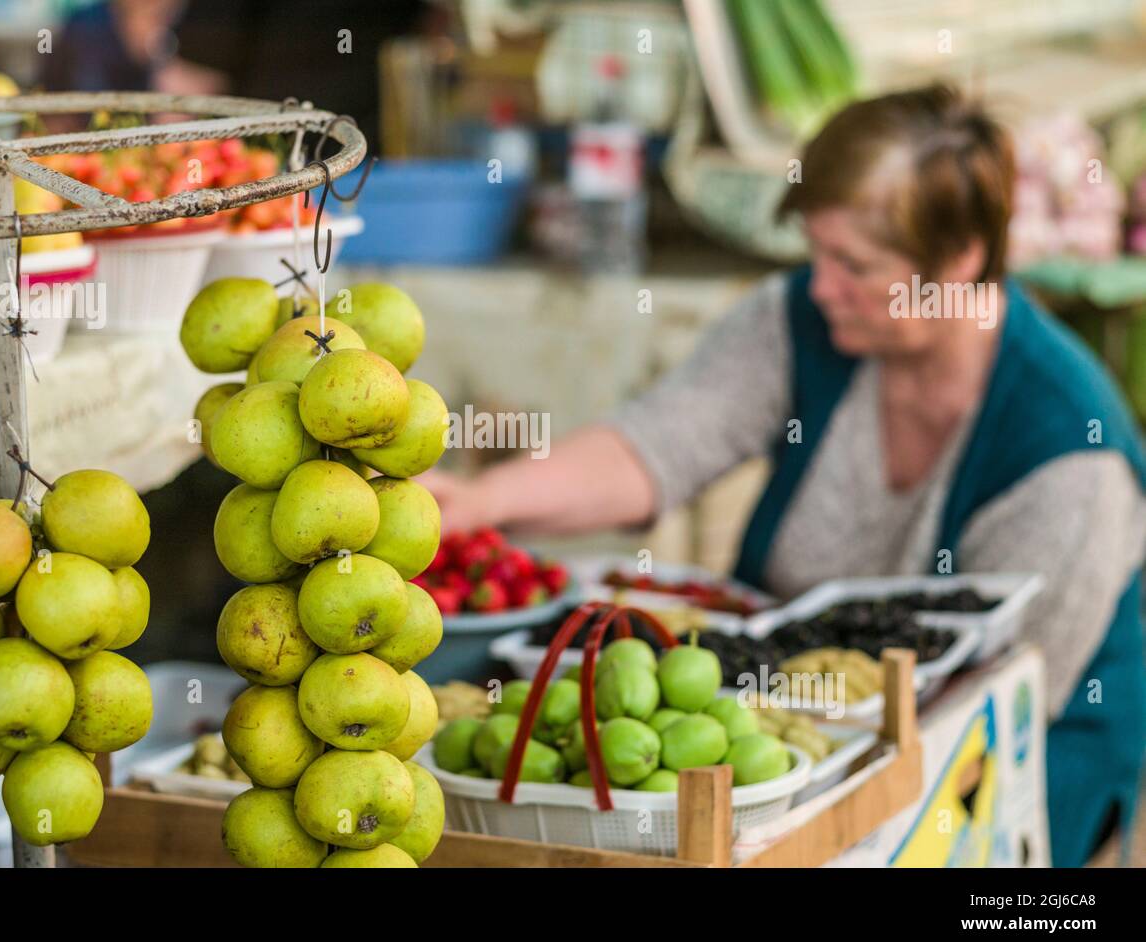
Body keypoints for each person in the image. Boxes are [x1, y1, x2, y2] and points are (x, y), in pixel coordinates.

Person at [425, 85, 1146, 867]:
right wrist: (476, 503)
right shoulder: (804, 319)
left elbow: (992, 700)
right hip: (793, 750)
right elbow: (657, 444)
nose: (821, 284)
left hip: (1009, 769)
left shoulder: (1070, 457)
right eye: (815, 252)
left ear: (961, 260)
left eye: (854, 265)